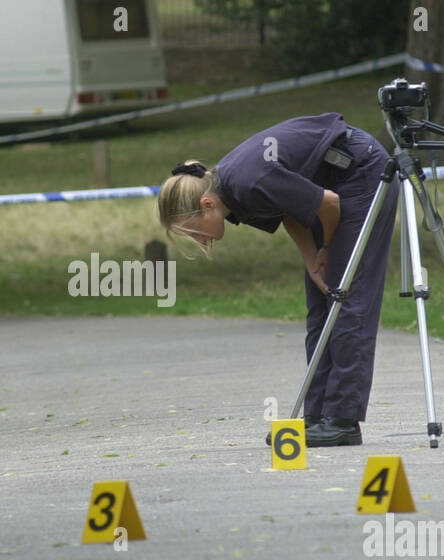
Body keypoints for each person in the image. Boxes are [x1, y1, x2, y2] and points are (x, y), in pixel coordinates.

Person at [156, 112, 397, 446]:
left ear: (207, 205)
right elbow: (288, 208)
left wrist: (325, 247)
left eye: (194, 232)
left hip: (362, 173)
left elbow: (329, 205)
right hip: (331, 183)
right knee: (321, 306)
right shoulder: (231, 190)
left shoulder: (247, 183)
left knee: (346, 297)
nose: (200, 241)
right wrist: (312, 258)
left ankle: (342, 420)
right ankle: (317, 415)